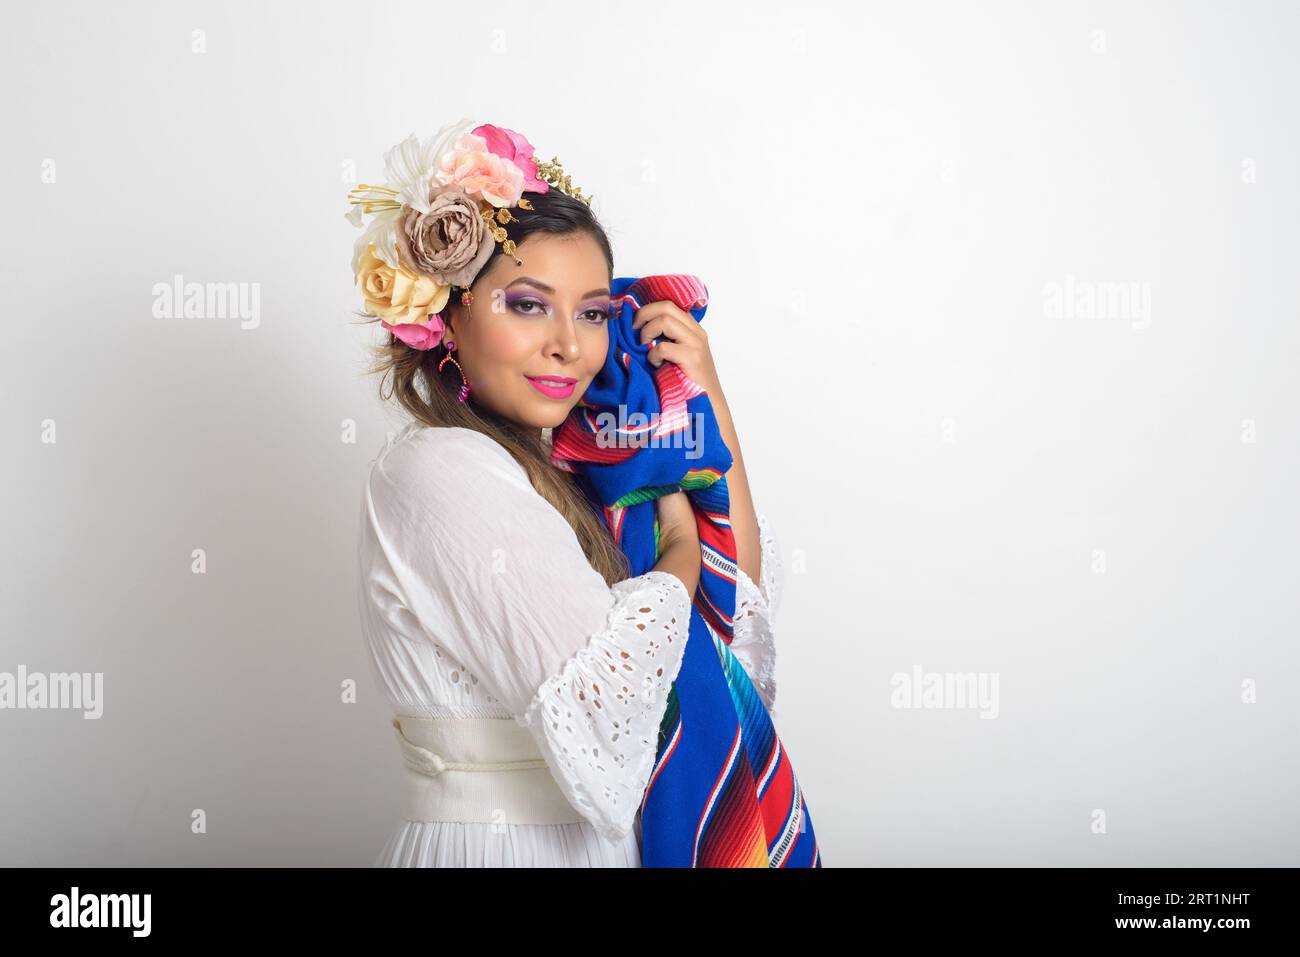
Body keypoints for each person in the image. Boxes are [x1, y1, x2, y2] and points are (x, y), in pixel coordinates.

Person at [351, 120, 784, 866]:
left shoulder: (579, 472)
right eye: (527, 304)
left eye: (591, 312)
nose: (570, 344)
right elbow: (613, 690)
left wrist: (702, 395)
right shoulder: (439, 468)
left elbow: (729, 606)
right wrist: (677, 535)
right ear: (448, 315)